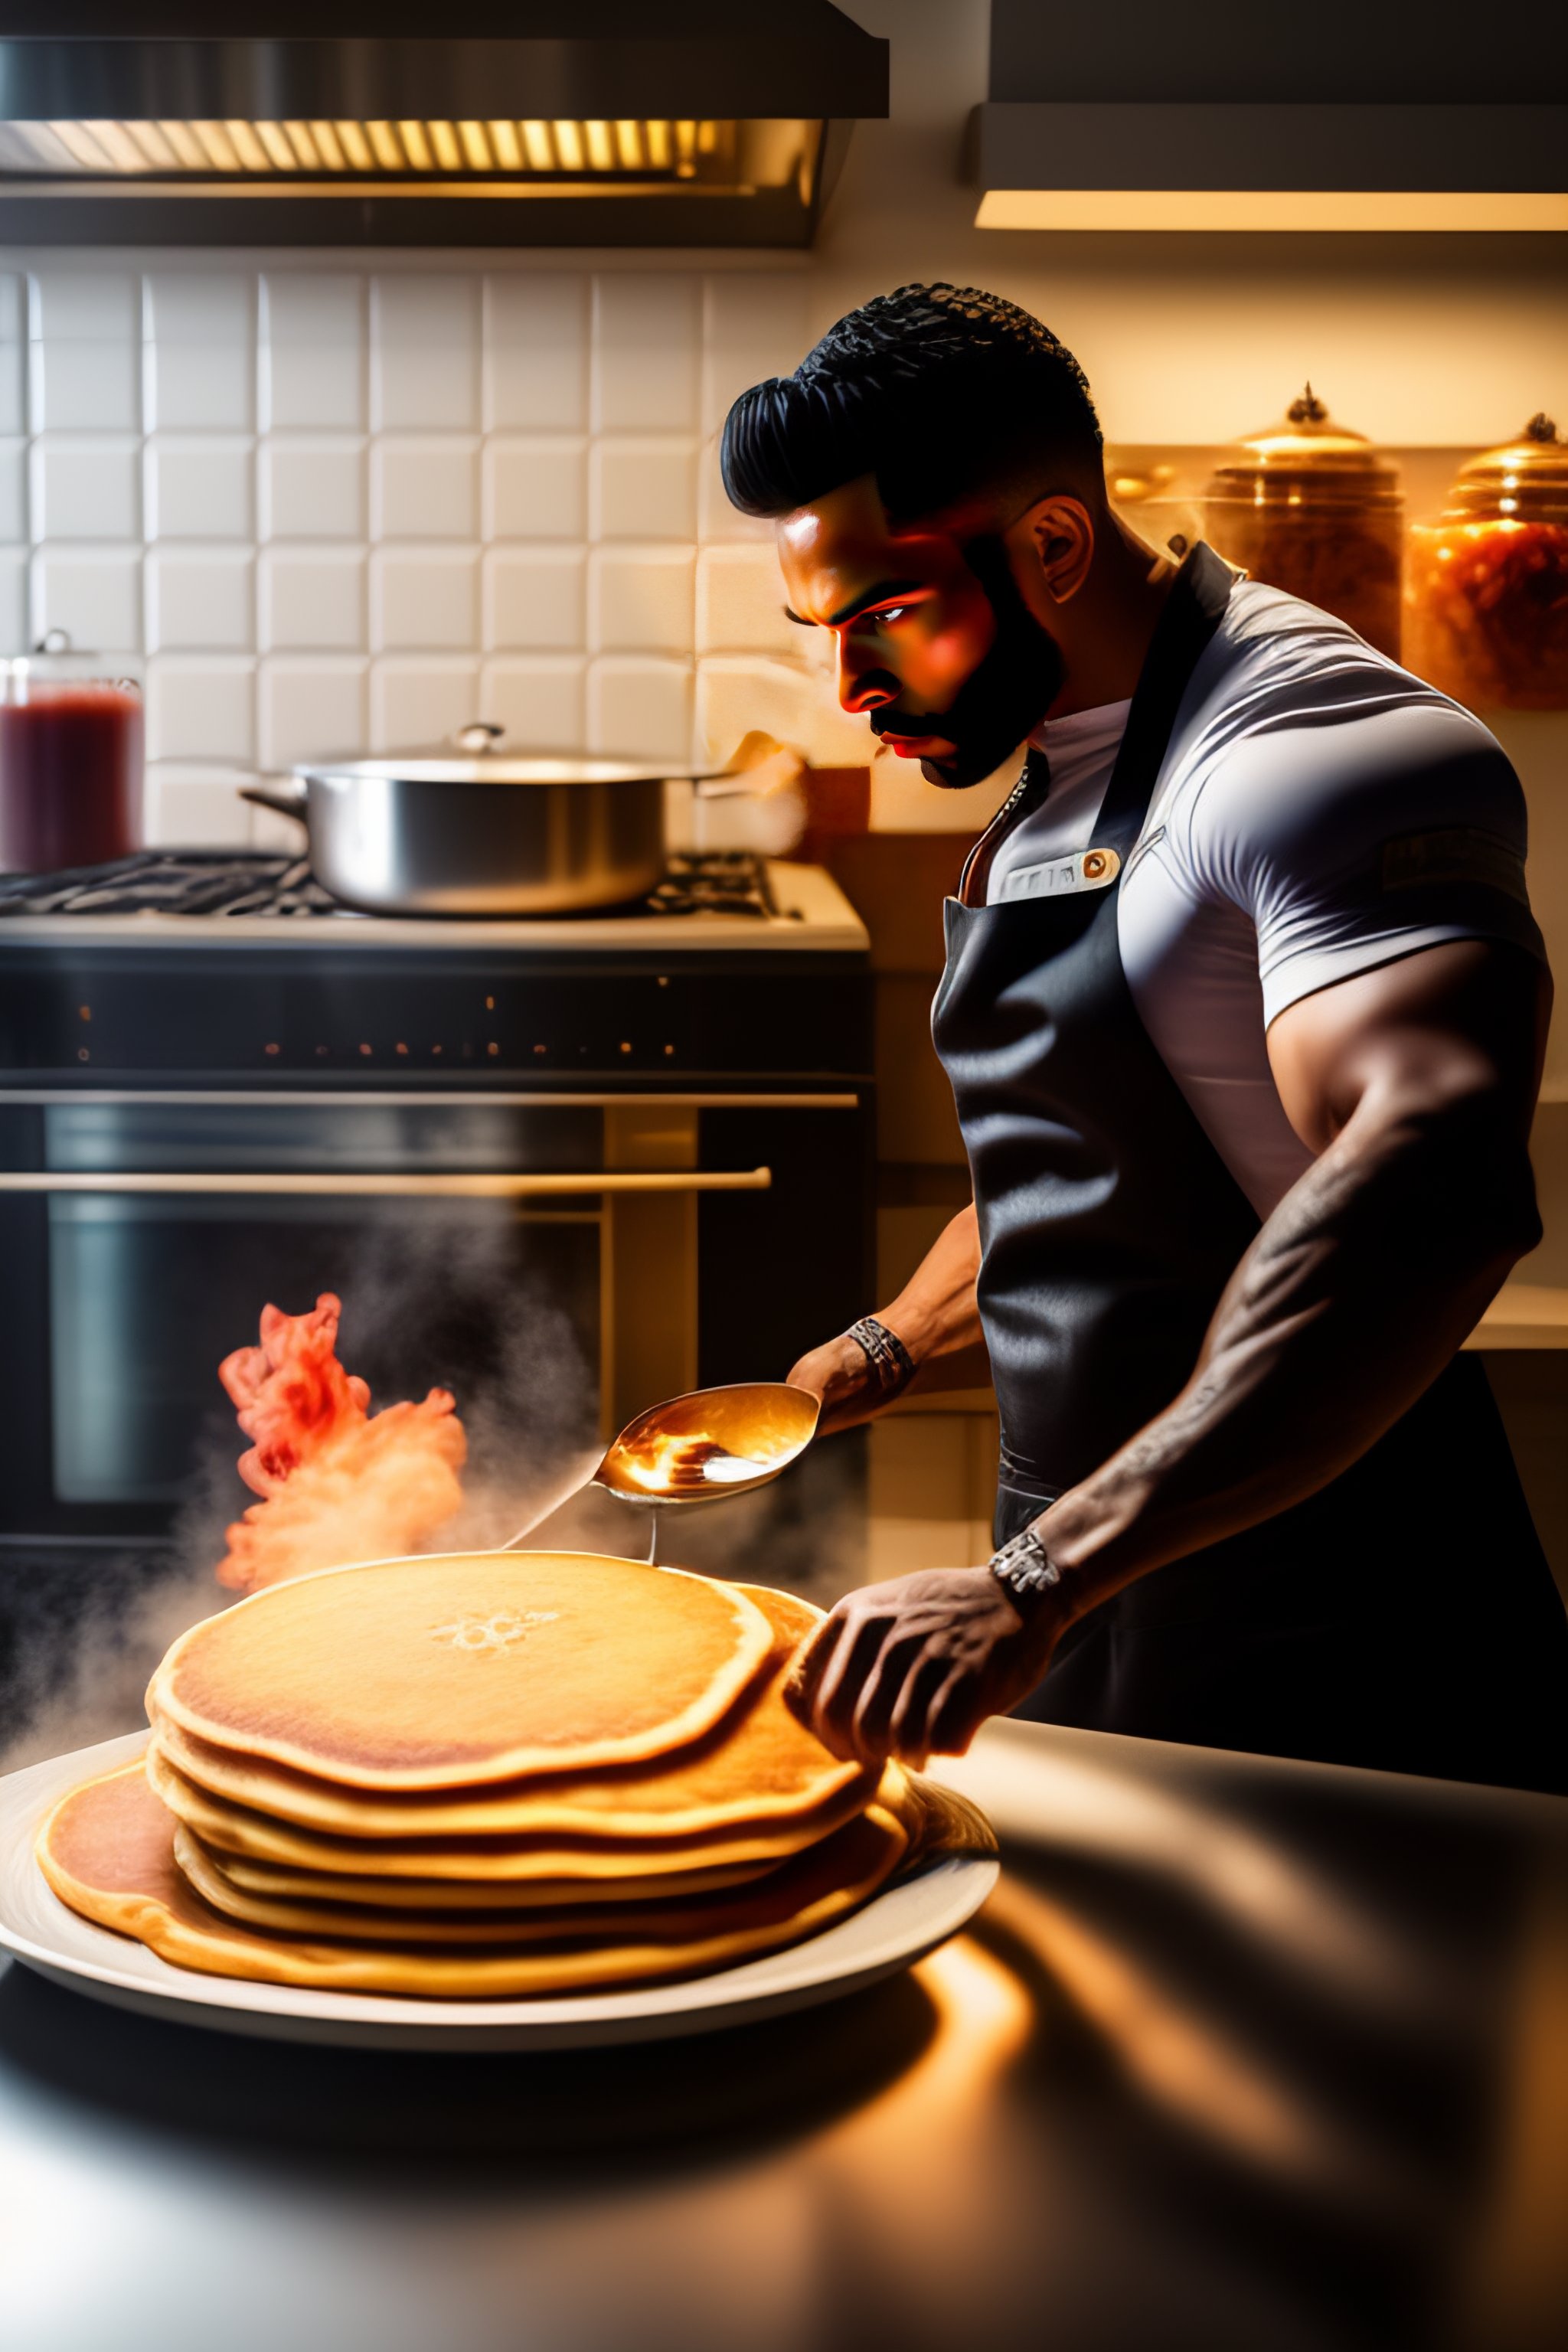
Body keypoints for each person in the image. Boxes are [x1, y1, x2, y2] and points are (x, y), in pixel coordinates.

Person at [720, 282, 1568, 1795]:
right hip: (1082, 1580)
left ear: (1050, 545)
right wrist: (876, 1351)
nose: (848, 690)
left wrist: (1037, 1582)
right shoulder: (1058, 767)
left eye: (886, 620)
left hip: (1329, 1619)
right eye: (821, 631)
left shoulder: (1321, 756)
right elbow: (1108, 1163)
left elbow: (1422, 1203)